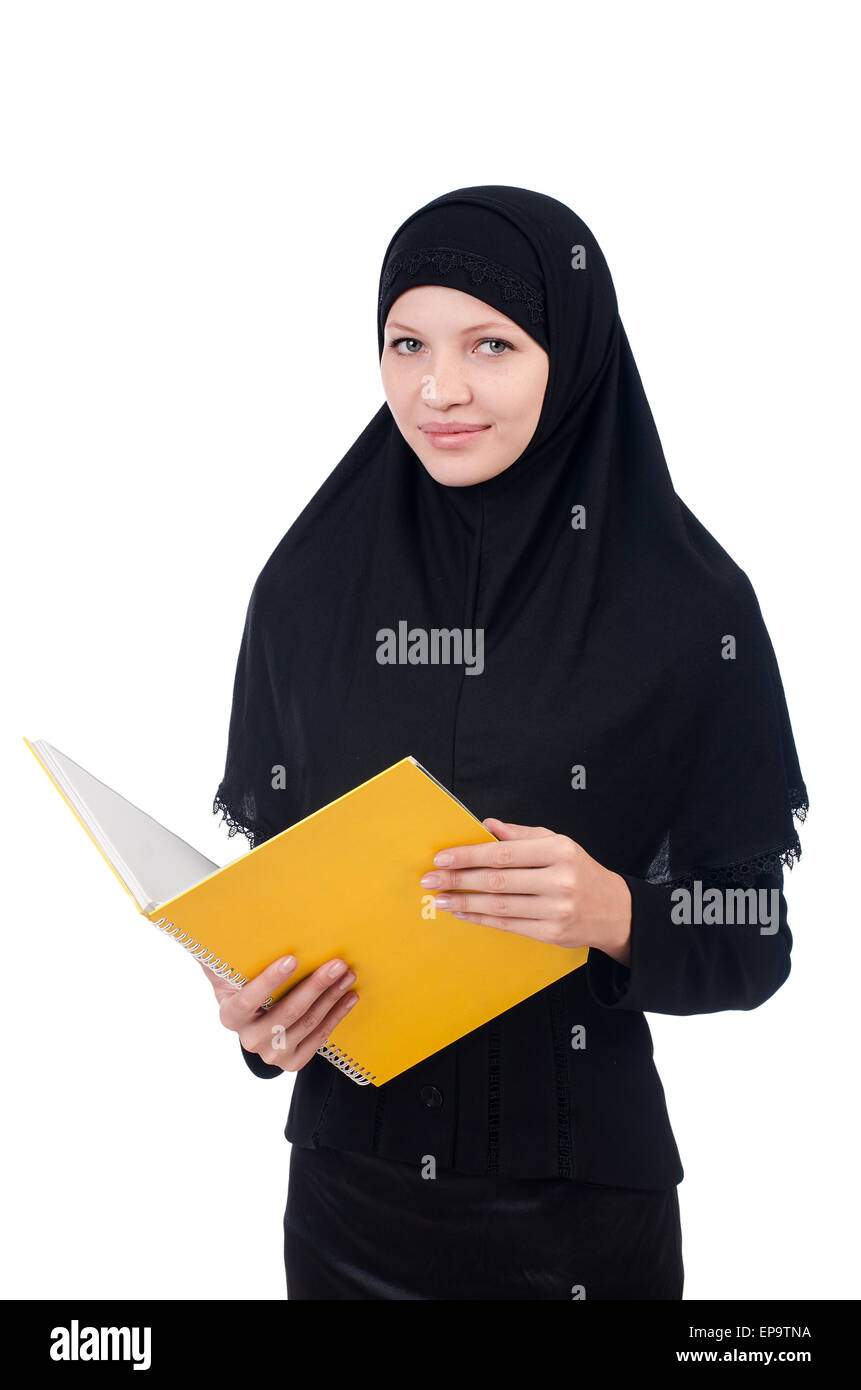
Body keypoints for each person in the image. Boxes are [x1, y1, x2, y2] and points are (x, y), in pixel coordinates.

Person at [205, 185, 808, 1301]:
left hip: (580, 1216)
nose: (438, 389)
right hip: (347, 1201)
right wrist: (258, 1017)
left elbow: (754, 935)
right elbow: (281, 902)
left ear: (571, 354)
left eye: (492, 342)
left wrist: (613, 911)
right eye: (406, 343)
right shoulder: (305, 588)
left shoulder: (690, 607)